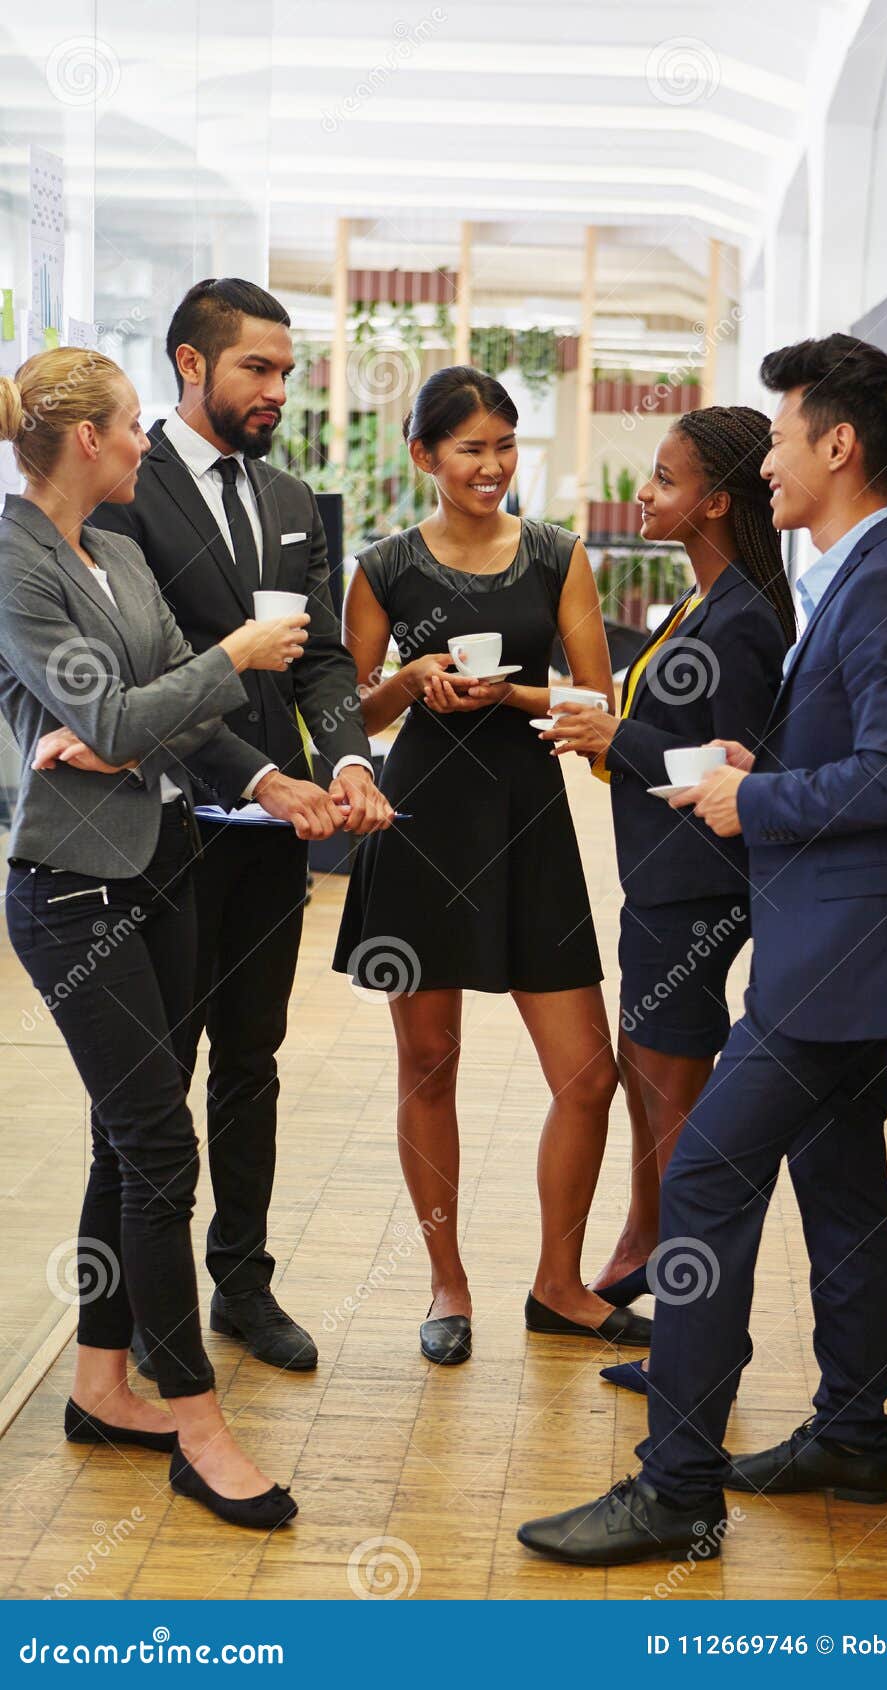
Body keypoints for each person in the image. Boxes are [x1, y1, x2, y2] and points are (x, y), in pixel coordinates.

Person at [517, 333, 887, 1565]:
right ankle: (851, 1434)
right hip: (836, 947)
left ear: (837, 446)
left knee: (708, 1174)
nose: (765, 462)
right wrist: (753, 767)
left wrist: (750, 801)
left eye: (778, 440)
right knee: (840, 1189)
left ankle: (674, 1491)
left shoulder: (885, 586)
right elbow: (857, 756)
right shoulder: (861, 574)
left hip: (835, 957)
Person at [0, 348, 312, 1527]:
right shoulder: (14, 562)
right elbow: (127, 709)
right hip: (72, 890)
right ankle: (194, 1416)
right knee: (160, 1149)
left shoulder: (119, 551)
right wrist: (200, 678)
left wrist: (270, 780)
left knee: (119, 1143)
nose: (147, 441)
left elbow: (163, 718)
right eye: (133, 424)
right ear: (85, 439)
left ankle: (97, 1381)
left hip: (165, 863)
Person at [89, 279, 394, 1380]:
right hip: (162, 828)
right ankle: (120, 1313)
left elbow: (314, 655)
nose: (277, 388)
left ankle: (243, 1282)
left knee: (251, 1061)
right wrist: (260, 773)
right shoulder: (125, 486)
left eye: (285, 369)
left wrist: (349, 755)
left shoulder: (290, 499)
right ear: (189, 364)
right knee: (151, 1079)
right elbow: (151, 675)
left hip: (274, 836)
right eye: (255, 368)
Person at [333, 365, 645, 1365]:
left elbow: (595, 705)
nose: (492, 466)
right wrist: (412, 682)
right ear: (424, 456)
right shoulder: (383, 566)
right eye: (470, 448)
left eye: (505, 445)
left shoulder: (557, 555)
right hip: (419, 823)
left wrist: (502, 695)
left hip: (527, 824)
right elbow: (344, 711)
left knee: (587, 1075)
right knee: (428, 1064)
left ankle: (557, 1283)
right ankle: (447, 1281)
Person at [544, 407, 793, 1396]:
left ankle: (694, 1337)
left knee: (678, 1125)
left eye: (661, 480)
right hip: (661, 890)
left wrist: (616, 737)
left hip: (694, 897)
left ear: (714, 503)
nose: (642, 494)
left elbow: (733, 773)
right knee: (660, 1110)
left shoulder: (740, 620)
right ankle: (644, 1255)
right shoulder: (703, 603)